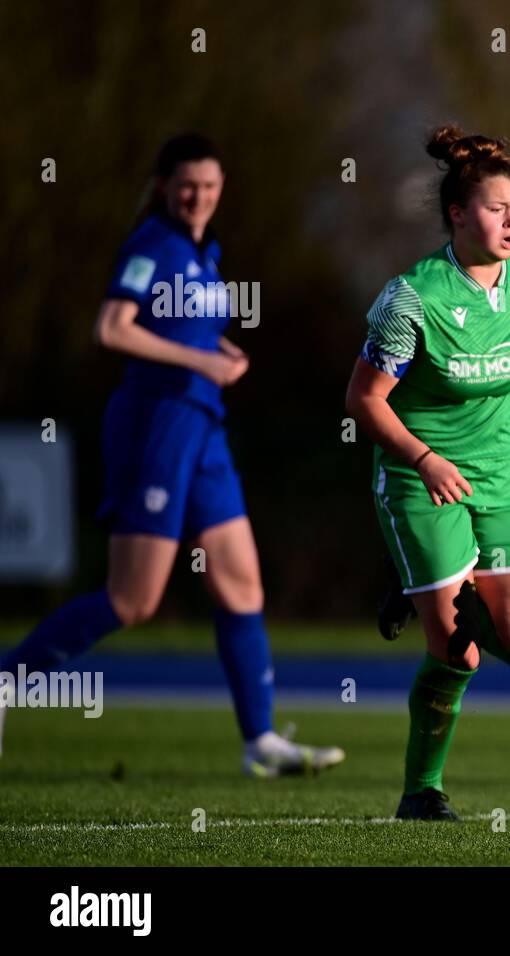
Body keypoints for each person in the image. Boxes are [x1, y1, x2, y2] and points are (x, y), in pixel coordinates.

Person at [0, 133, 344, 776]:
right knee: (133, 600)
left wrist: (222, 350)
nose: (199, 197)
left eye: (211, 187)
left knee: (242, 582)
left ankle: (260, 741)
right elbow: (113, 327)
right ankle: (7, 679)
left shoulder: (202, 251)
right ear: (163, 186)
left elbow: (187, 330)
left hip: (203, 428)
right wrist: (200, 360)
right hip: (155, 427)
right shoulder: (151, 245)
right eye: (188, 185)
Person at [345, 124, 510, 821]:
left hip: (505, 481)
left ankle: (437, 584)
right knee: (459, 656)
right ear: (458, 213)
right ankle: (421, 792)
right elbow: (362, 400)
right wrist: (424, 459)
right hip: (421, 479)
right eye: (496, 209)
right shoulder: (411, 299)